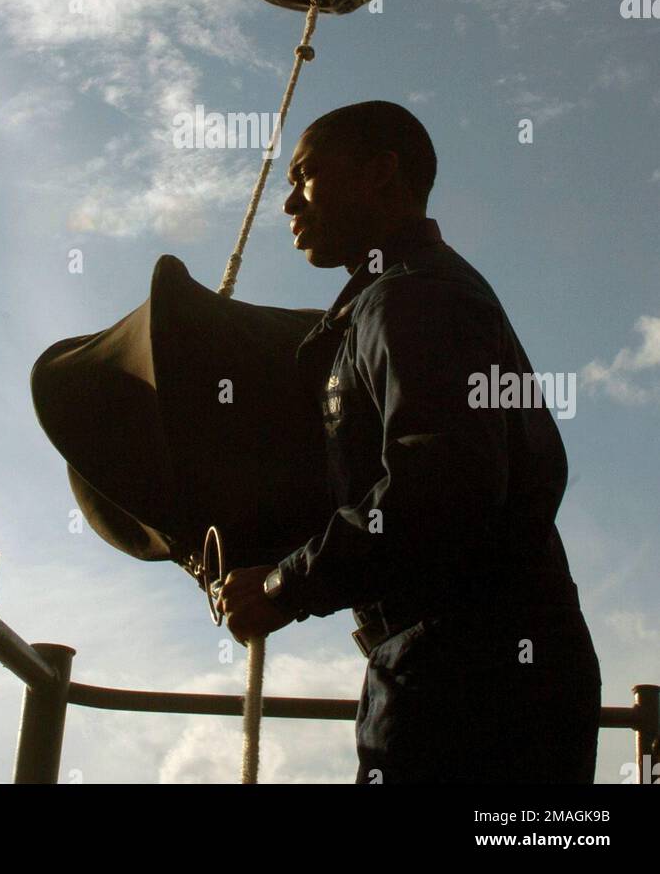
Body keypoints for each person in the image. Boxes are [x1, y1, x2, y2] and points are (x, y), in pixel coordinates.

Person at [217, 100, 602, 784]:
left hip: (464, 681)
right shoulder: (390, 304)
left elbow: (443, 484)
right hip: (472, 667)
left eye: (305, 176)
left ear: (381, 174)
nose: (288, 204)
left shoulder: (415, 299)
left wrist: (283, 586)